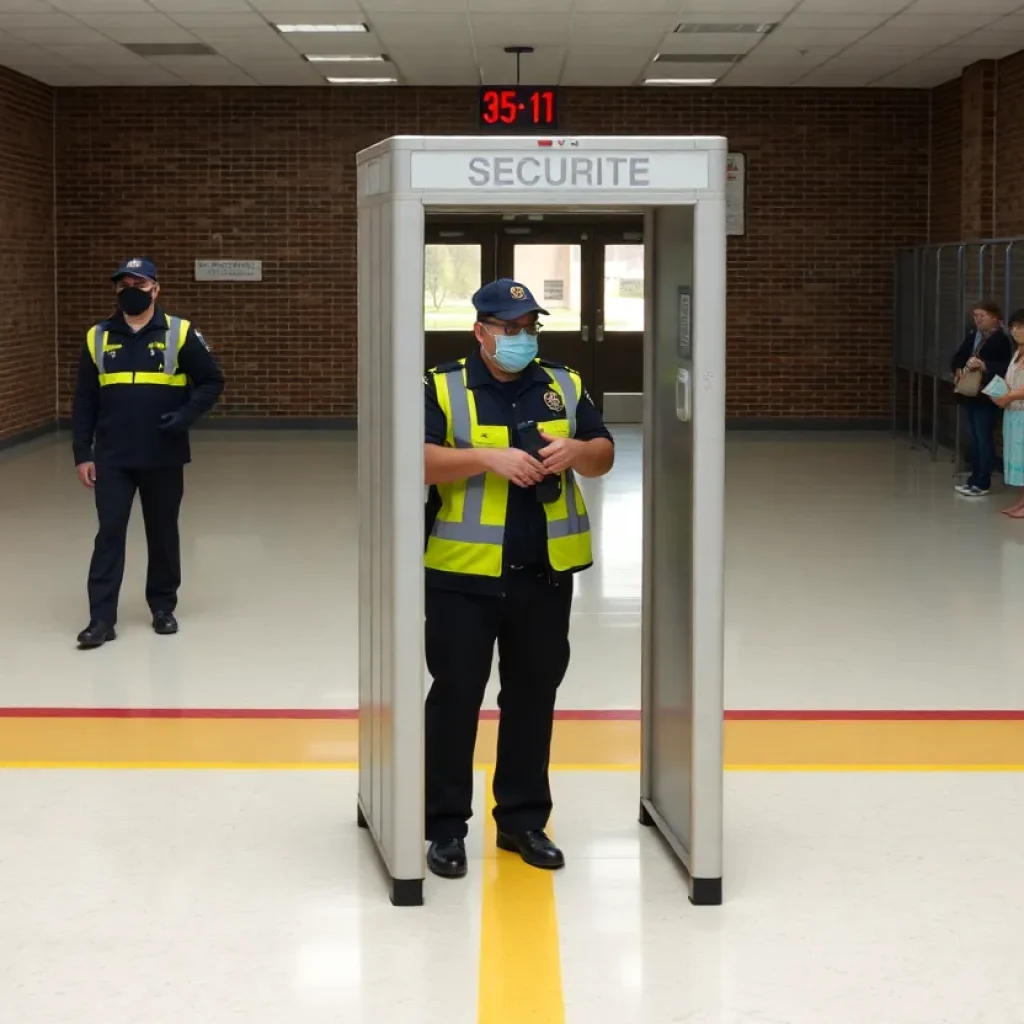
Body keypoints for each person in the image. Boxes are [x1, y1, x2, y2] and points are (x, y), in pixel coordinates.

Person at [422, 278, 615, 879]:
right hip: (463, 576)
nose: (521, 338)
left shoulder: (563, 383)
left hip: (544, 574)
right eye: (510, 328)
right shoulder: (441, 386)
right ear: (480, 330)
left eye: (530, 327)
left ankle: (524, 822)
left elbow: (604, 452)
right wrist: (487, 458)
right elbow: (415, 460)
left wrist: (576, 453)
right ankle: (445, 828)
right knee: (455, 699)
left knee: (533, 698)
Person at [71, 258, 225, 649]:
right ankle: (101, 619)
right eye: (124, 284)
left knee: (162, 533)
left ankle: (162, 607)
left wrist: (186, 414)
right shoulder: (98, 336)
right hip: (112, 456)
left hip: (163, 453)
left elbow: (211, 380)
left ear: (156, 289)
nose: (130, 290)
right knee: (109, 534)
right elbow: (85, 400)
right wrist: (81, 452)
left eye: (138, 283)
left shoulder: (180, 332)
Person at [952, 300, 1012, 497]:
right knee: (975, 438)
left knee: (983, 436)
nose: (978, 320)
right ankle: (974, 478)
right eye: (975, 316)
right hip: (970, 393)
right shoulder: (973, 335)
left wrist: (984, 366)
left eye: (982, 316)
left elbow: (1005, 367)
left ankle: (983, 480)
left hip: (987, 394)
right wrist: (959, 370)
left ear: (995, 318)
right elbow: (959, 356)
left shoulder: (1001, 340)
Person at [990, 308, 1024, 518]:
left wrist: (1011, 395)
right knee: (1017, 457)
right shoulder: (1016, 353)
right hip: (1013, 413)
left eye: (1021, 326)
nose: (1015, 331)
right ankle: (1021, 500)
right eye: (1013, 327)